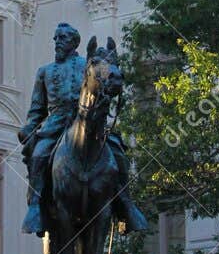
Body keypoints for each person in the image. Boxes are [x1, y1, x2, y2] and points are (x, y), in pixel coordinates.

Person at [18, 21, 147, 237]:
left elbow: (110, 84)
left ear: (74, 42)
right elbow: (37, 109)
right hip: (55, 123)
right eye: (56, 38)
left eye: (63, 38)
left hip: (88, 120)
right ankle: (35, 206)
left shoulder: (89, 64)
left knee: (118, 152)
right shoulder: (44, 72)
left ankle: (126, 205)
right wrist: (30, 127)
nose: (57, 42)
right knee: (39, 154)